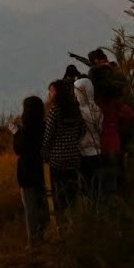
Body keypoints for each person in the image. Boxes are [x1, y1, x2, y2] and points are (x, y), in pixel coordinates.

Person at [42, 78, 84, 213]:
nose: (49, 94)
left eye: (52, 91)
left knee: (60, 190)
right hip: (74, 155)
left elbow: (48, 135)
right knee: (73, 189)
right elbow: (81, 130)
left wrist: (44, 153)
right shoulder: (75, 109)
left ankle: (65, 217)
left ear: (58, 93)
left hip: (57, 158)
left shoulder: (55, 111)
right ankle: (75, 213)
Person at [12, 95, 48, 244]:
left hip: (27, 171)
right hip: (43, 169)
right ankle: (45, 232)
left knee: (30, 207)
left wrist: (15, 133)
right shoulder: (45, 126)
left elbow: (19, 149)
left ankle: (33, 239)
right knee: (43, 203)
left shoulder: (24, 131)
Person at [96, 81, 134, 194]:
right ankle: (114, 195)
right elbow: (131, 116)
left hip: (100, 143)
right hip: (114, 141)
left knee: (103, 172)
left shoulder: (96, 105)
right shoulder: (116, 105)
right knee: (113, 171)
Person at [74, 77, 104, 202]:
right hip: (97, 150)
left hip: (83, 152)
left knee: (86, 183)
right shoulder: (97, 108)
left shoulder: (79, 111)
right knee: (97, 183)